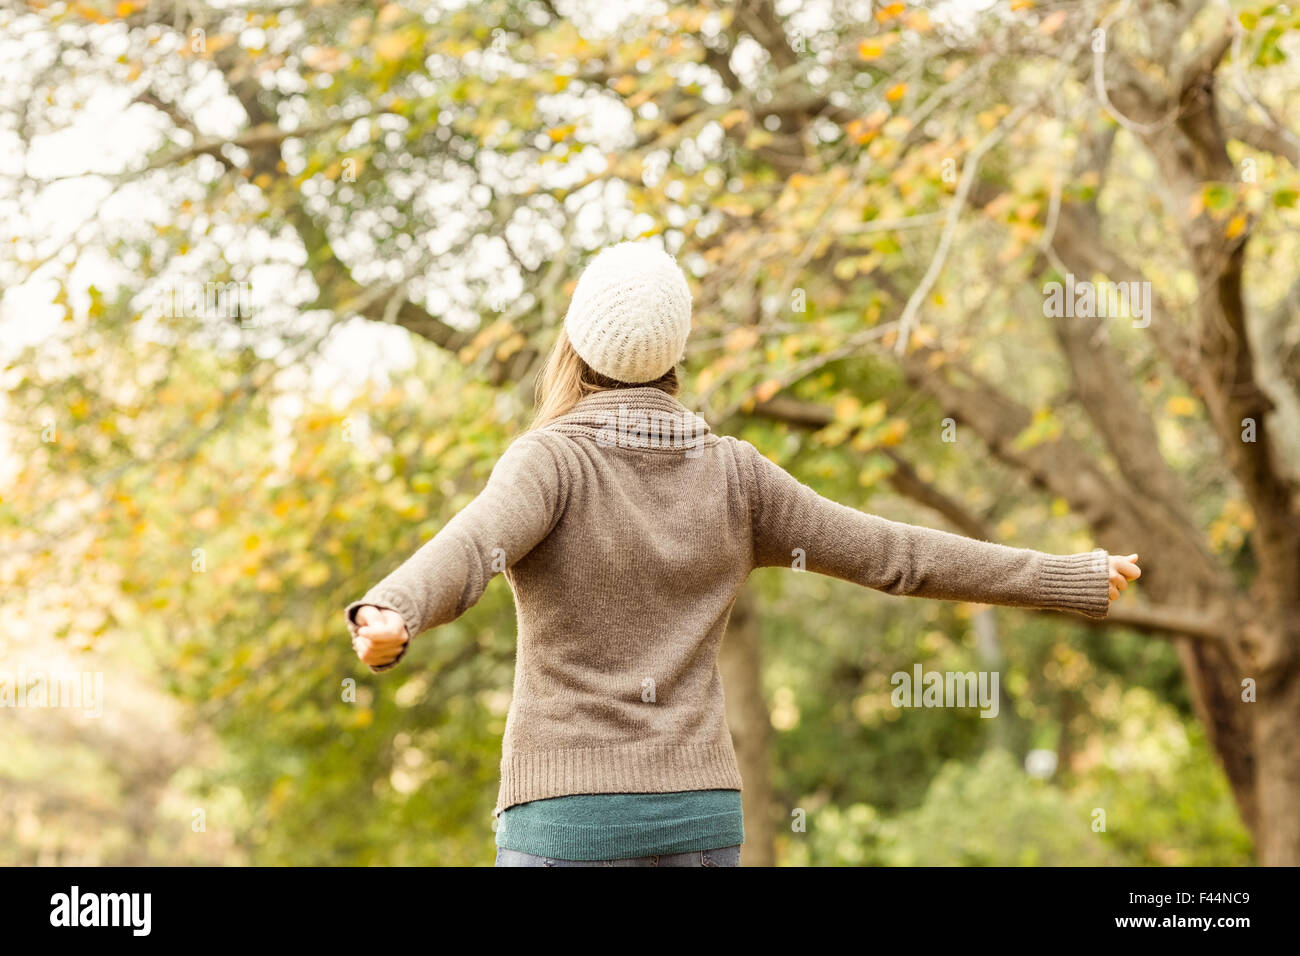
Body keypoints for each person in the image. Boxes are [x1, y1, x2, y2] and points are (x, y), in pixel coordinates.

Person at [345, 240, 1142, 867]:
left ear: (573, 339)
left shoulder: (550, 461)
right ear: (677, 350)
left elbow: (473, 544)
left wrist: (394, 611)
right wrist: (1067, 575)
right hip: (701, 821)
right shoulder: (735, 475)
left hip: (569, 819)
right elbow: (895, 555)